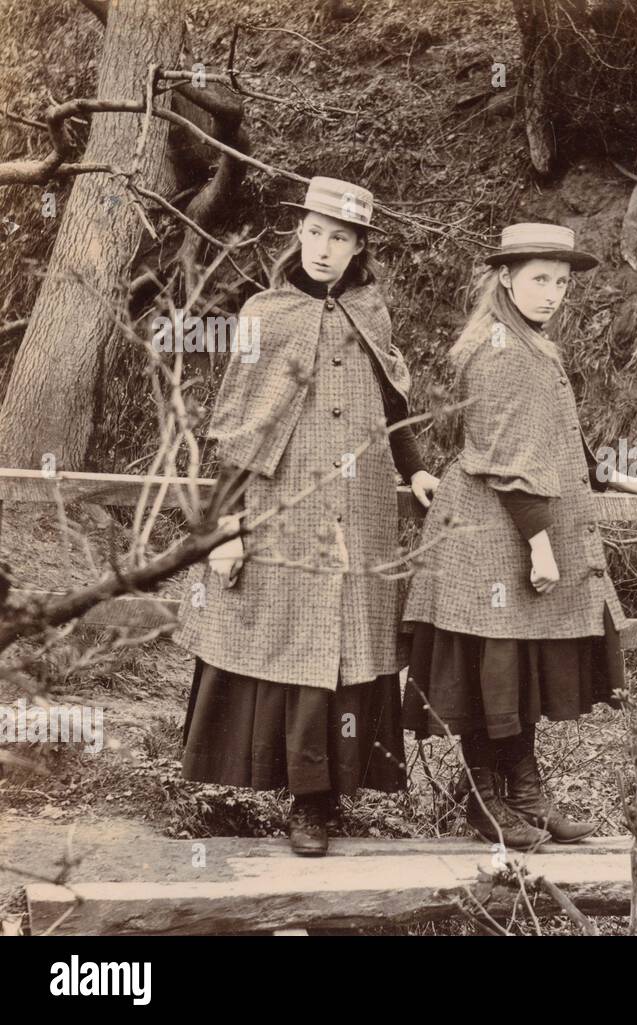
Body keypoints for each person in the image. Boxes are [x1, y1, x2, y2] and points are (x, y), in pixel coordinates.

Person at [173, 176, 438, 856]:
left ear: (359, 248)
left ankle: (321, 801)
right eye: (316, 232)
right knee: (294, 637)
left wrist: (416, 469)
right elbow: (236, 426)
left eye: (341, 237)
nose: (324, 248)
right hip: (282, 504)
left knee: (346, 647)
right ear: (299, 233)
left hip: (362, 507)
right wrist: (225, 524)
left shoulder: (373, 313)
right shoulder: (265, 313)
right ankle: (300, 797)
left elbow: (394, 403)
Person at [402, 222, 637, 849]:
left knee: (509, 669)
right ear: (505, 277)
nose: (553, 293)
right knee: (489, 666)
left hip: (505, 528)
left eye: (561, 281)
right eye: (539, 279)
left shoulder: (527, 340)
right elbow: (507, 457)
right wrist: (542, 545)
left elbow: (550, 438)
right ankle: (485, 801)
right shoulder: (499, 349)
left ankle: (526, 794)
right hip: (495, 533)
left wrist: (611, 476)